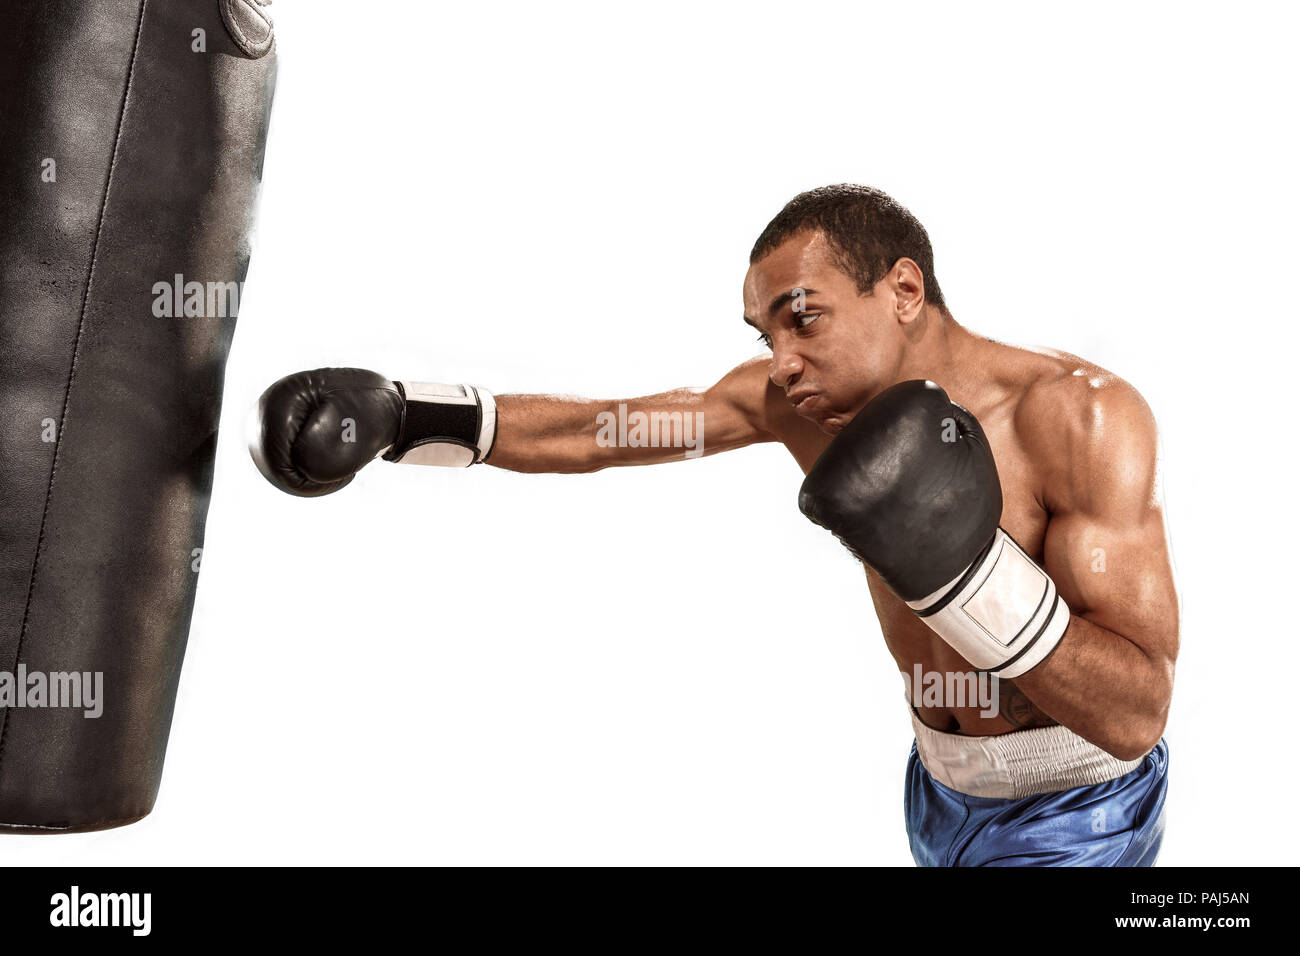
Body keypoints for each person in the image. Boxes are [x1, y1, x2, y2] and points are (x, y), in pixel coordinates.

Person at [250, 184, 1178, 866]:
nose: (780, 361)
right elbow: (606, 432)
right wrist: (410, 416)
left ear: (903, 288)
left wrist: (970, 577)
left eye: (802, 318)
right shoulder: (800, 408)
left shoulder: (1077, 417)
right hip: (937, 791)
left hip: (1079, 809)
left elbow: (1136, 713)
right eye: (763, 335)